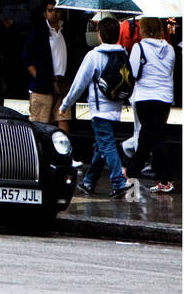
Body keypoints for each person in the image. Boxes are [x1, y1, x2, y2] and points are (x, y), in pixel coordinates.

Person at [60, 16, 132, 198]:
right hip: (115, 110)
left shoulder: (94, 56)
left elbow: (79, 84)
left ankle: (118, 182)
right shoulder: (122, 53)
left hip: (100, 112)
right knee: (100, 148)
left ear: (99, 34)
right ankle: (89, 182)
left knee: (107, 147)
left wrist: (66, 104)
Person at [125, 17, 176, 194]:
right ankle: (131, 170)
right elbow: (170, 71)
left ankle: (166, 178)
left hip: (145, 96)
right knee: (147, 138)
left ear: (144, 29)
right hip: (165, 98)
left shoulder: (139, 47)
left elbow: (134, 73)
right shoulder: (169, 49)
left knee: (155, 138)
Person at [22, 0, 70, 135]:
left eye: (57, 10)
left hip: (61, 83)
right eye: (50, 10)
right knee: (41, 124)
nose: (54, 13)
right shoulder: (38, 31)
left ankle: (64, 152)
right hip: (42, 85)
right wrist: (37, 75)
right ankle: (41, 154)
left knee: (63, 118)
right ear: (44, 13)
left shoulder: (64, 31)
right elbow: (26, 56)